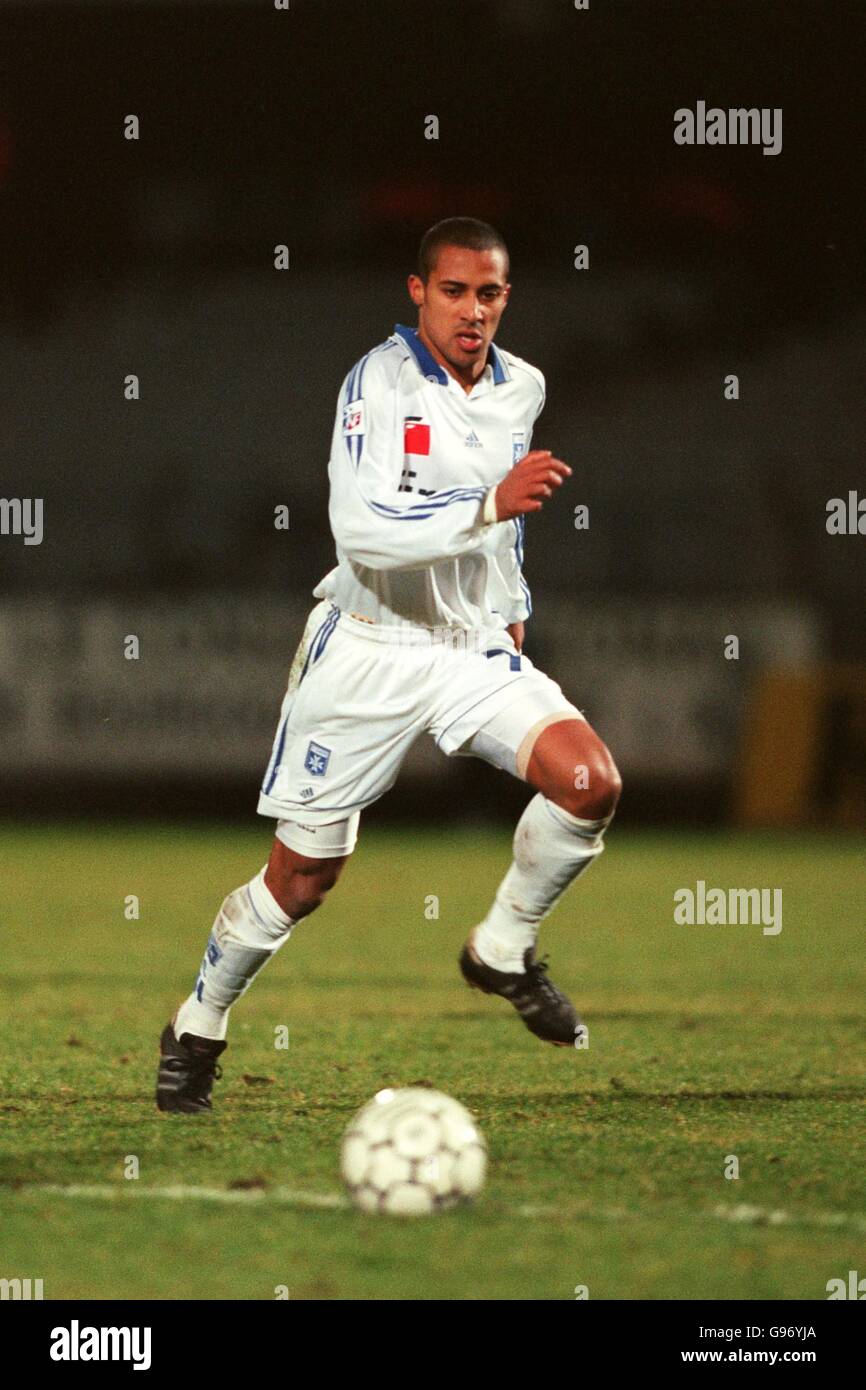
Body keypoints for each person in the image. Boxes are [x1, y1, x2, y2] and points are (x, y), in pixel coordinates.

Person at [156, 216, 621, 1114]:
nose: (472, 310)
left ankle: (499, 949)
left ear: (506, 299)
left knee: (589, 782)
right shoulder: (378, 382)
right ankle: (199, 1022)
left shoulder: (521, 386)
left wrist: (513, 605)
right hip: (366, 648)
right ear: (418, 292)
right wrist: (488, 502)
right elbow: (362, 532)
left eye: (489, 294)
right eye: (453, 291)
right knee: (302, 879)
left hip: (467, 647)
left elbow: (508, 522)